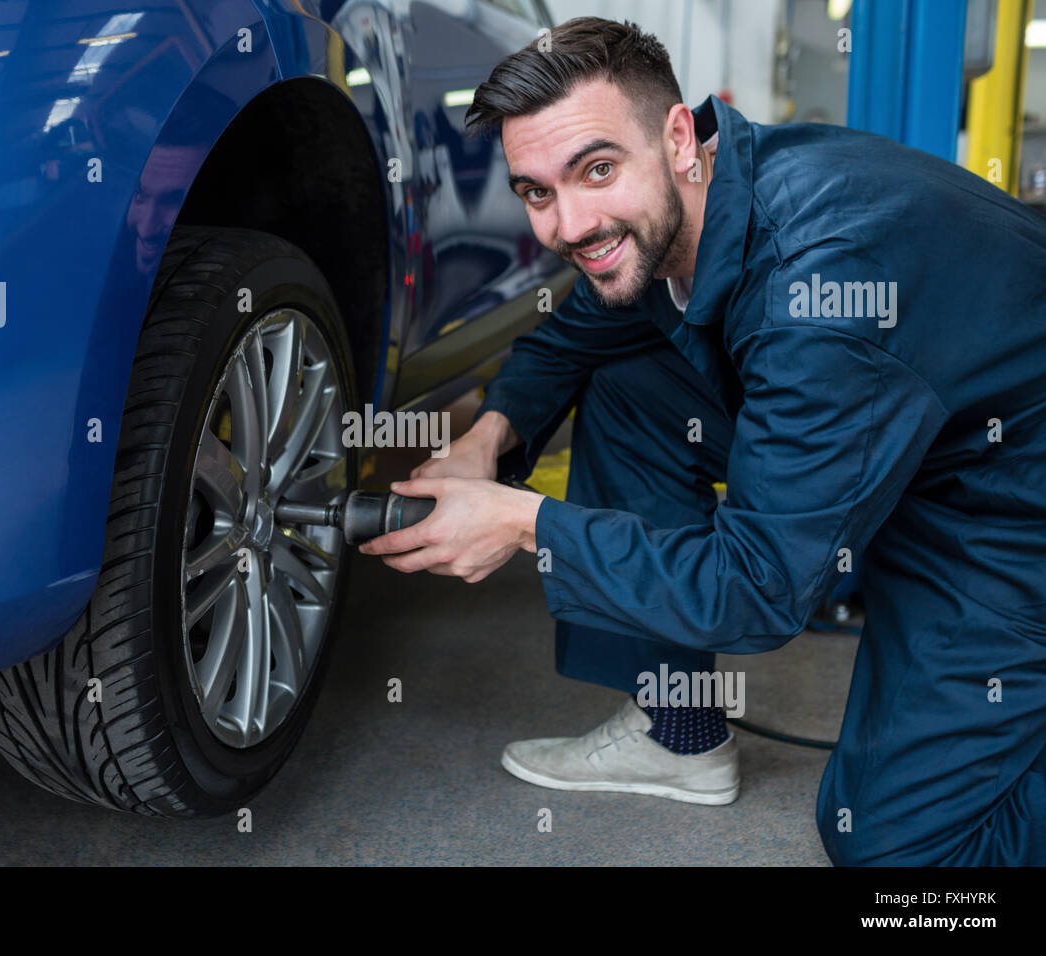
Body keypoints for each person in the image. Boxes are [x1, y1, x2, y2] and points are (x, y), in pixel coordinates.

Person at [358, 17, 1046, 865]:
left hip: (1007, 509)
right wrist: (488, 441)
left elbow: (757, 590)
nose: (568, 225)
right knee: (625, 387)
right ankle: (679, 729)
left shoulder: (820, 286)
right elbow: (569, 342)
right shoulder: (686, 211)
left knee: (897, 848)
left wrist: (521, 522)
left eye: (596, 169)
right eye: (537, 191)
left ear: (678, 136)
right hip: (918, 436)